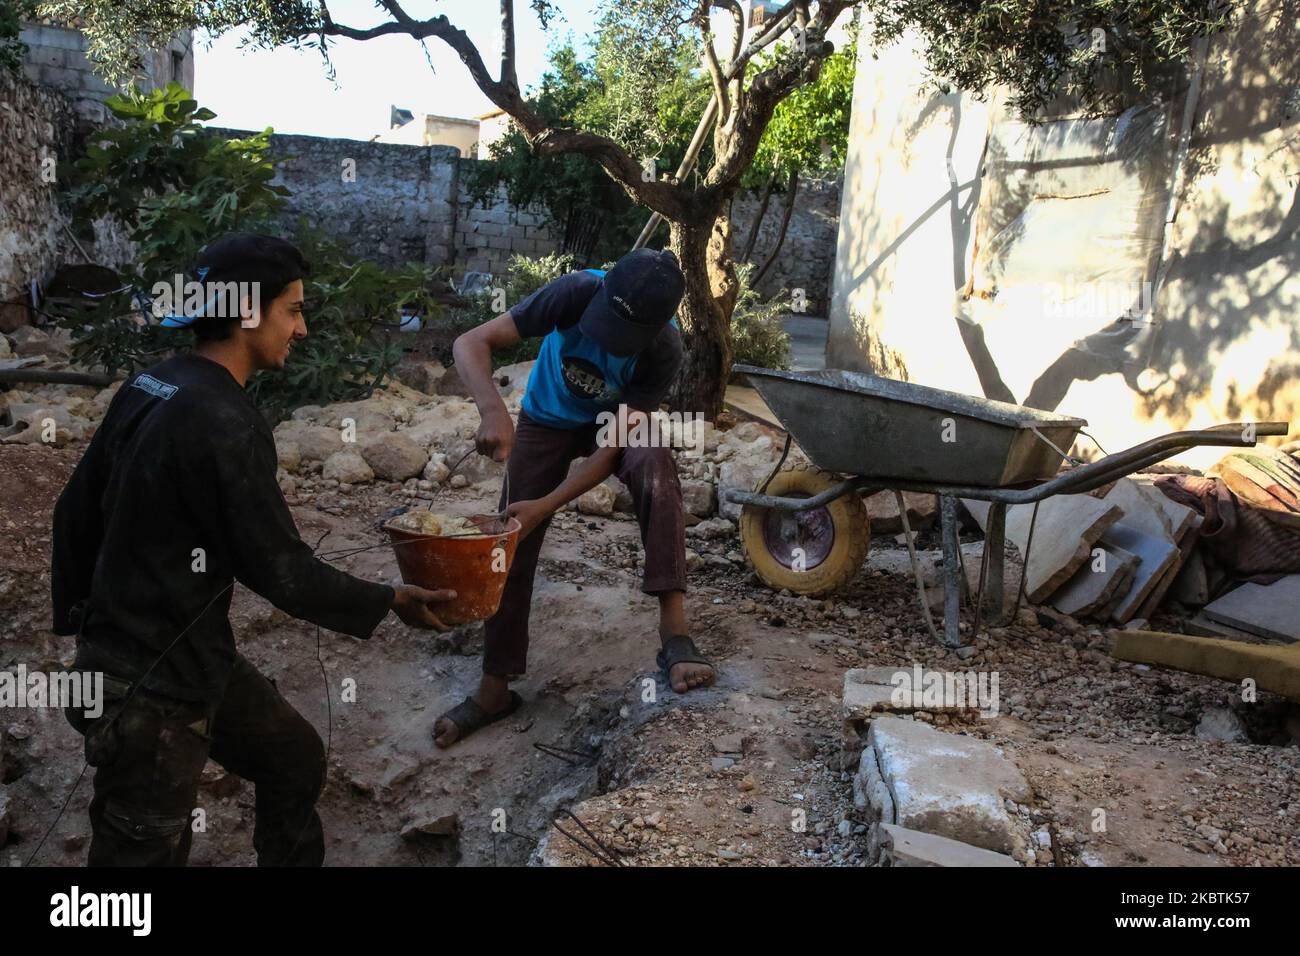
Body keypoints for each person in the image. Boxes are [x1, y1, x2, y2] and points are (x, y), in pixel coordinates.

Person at [51, 233, 456, 866]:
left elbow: (71, 511)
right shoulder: (225, 422)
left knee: (292, 759)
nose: (301, 328)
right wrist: (389, 601)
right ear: (247, 312)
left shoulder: (154, 383)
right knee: (138, 863)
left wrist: (84, 629)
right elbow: (283, 572)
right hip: (151, 689)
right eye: (292, 310)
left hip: (184, 657)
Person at [433, 248, 715, 748]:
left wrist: (549, 503)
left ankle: (675, 634)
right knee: (511, 534)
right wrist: (492, 410)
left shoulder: (664, 349)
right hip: (546, 417)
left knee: (653, 464)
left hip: (611, 428)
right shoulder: (576, 290)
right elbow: (471, 341)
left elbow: (610, 451)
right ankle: (494, 689)